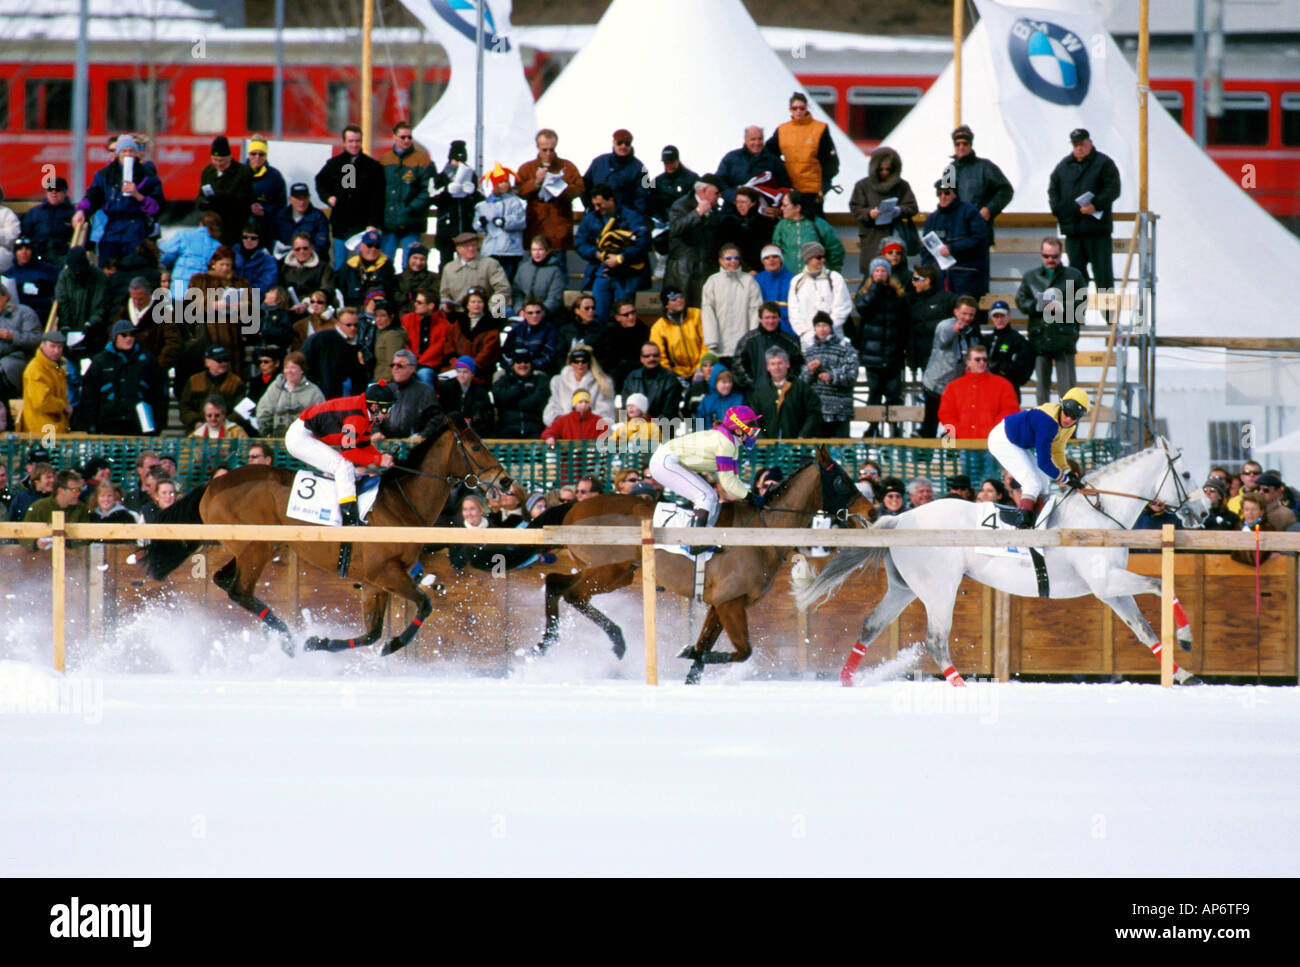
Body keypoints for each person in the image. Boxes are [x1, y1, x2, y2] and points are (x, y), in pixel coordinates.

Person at [285, 382, 398, 576]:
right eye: (386, 409)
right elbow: (349, 453)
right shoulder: (356, 417)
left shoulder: (366, 415)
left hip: (310, 433)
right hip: (300, 438)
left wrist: (379, 457)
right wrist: (379, 459)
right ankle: (348, 511)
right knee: (343, 466)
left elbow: (363, 445)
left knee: (349, 471)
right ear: (373, 406)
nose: (387, 414)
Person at [649, 404, 765, 553]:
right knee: (705, 496)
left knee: (710, 496)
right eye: (751, 426)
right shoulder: (725, 444)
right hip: (665, 462)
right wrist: (751, 497)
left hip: (669, 460)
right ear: (737, 429)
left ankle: (697, 537)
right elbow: (728, 483)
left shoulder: (731, 445)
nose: (754, 431)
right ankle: (694, 542)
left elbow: (733, 482)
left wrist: (747, 497)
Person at [987, 387, 1092, 528]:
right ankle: (1022, 521)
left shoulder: (1069, 427)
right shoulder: (1048, 421)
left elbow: (1057, 451)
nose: (1069, 419)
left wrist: (1067, 472)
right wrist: (1066, 479)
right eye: (1067, 413)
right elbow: (1044, 463)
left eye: (1074, 417)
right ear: (1061, 406)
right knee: (1032, 483)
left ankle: (1037, 517)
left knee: (1043, 482)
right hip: (1002, 439)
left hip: (1017, 442)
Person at [71, 134, 165, 263]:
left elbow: (157, 207)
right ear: (118, 153)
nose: (128, 154)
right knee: (108, 266)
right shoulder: (105, 174)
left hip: (136, 227)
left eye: (131, 151)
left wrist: (138, 195)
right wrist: (81, 210)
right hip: (112, 227)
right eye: (124, 151)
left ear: (136, 153)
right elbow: (93, 195)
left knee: (133, 266)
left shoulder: (147, 176)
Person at [1048, 129, 1121, 291]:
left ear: (1090, 143)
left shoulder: (1103, 163)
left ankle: (1109, 315)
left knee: (1104, 277)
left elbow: (1113, 188)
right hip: (1073, 231)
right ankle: (1077, 315)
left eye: (1082, 144)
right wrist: (1058, 210)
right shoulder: (1063, 166)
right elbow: (1053, 189)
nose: (1079, 148)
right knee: (1075, 278)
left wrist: (1096, 205)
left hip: (1097, 231)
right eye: (1075, 145)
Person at [1017, 237, 1088, 404]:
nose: (1050, 260)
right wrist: (1039, 305)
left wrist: (1061, 306)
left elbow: (1083, 302)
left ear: (1060, 255)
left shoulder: (1074, 275)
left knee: (1068, 393)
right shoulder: (1030, 277)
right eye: (1046, 256)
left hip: (1064, 337)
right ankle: (1044, 428)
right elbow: (1021, 301)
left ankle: (1070, 430)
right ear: (1041, 255)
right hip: (1040, 338)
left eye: (1054, 256)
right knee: (1041, 392)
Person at [74, 319, 167, 436]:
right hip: (109, 422)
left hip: (141, 423)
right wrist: (90, 424)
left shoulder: (147, 359)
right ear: (115, 337)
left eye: (132, 334)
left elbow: (160, 393)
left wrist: (159, 424)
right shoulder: (101, 361)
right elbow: (89, 394)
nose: (129, 338)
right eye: (124, 335)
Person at [575, 184, 651, 325]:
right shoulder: (591, 218)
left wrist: (621, 258)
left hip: (626, 276)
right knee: (598, 317)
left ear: (611, 200)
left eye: (600, 204)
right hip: (601, 274)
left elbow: (643, 242)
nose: (597, 208)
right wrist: (596, 254)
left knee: (624, 317)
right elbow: (579, 243)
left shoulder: (632, 217)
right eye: (594, 205)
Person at [314, 124, 387, 270]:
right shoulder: (334, 164)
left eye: (357, 141)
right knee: (340, 264)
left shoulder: (372, 166)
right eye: (351, 141)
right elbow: (320, 181)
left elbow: (378, 198)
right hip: (341, 223)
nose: (354, 144)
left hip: (363, 225)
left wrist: (373, 223)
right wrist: (328, 197)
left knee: (364, 263)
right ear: (344, 142)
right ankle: (340, 291)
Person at [853, 257, 911, 431]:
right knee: (875, 392)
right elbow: (862, 307)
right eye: (877, 271)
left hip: (894, 354)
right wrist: (875, 289)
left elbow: (905, 323)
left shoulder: (898, 294)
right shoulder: (865, 292)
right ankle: (873, 428)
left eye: (883, 271)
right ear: (872, 273)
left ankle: (895, 428)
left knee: (894, 393)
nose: (880, 274)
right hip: (873, 355)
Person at [849, 146, 919, 279]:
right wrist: (869, 213)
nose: (884, 173)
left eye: (888, 169)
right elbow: (855, 208)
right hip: (872, 236)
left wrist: (898, 211)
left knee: (898, 275)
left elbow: (912, 207)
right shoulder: (862, 185)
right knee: (873, 273)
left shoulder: (902, 186)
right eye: (881, 169)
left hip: (895, 236)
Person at [766, 92, 838, 215]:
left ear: (806, 109)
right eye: (795, 108)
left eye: (802, 108)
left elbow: (830, 162)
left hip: (813, 190)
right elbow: (769, 154)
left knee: (813, 226)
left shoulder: (819, 129)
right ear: (790, 110)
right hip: (790, 190)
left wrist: (824, 187)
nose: (798, 111)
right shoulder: (782, 130)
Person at [920, 296, 981, 438]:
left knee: (953, 425)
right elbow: (943, 340)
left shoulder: (971, 331)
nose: (967, 318)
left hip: (956, 387)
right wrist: (955, 330)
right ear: (956, 312)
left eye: (971, 314)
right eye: (964, 314)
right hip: (937, 384)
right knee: (931, 423)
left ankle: (951, 455)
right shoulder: (946, 325)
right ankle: (924, 457)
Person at [516, 128, 585, 252]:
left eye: (551, 150)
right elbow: (519, 191)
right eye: (544, 150)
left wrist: (561, 188)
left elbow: (580, 189)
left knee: (558, 267)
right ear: (537, 147)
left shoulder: (567, 167)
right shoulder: (527, 168)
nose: (548, 153)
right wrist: (536, 182)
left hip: (559, 231)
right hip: (535, 229)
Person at [921, 178, 990, 299]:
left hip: (967, 276)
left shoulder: (969, 211)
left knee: (966, 313)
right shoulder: (932, 218)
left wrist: (952, 248)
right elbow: (926, 251)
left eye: (947, 192)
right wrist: (924, 275)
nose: (943, 196)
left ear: (955, 194)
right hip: (940, 278)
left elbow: (980, 239)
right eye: (939, 193)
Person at [936, 344, 1019, 440]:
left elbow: (1010, 410)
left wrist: (994, 431)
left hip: (993, 443)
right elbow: (946, 414)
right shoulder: (953, 387)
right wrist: (958, 432)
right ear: (968, 362)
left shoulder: (1003, 384)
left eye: (985, 359)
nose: (982, 362)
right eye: (977, 359)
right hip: (963, 442)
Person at [947, 126, 1014, 245]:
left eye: (965, 143)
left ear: (970, 145)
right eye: (957, 144)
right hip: (956, 234)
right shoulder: (950, 170)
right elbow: (944, 200)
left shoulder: (985, 167)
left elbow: (1006, 190)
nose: (961, 147)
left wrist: (989, 209)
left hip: (979, 231)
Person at [664, 176, 725, 306]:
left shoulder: (715, 210)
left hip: (706, 269)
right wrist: (697, 213)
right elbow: (675, 229)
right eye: (716, 193)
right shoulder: (680, 205)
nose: (719, 196)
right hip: (684, 271)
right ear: (703, 190)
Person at [377, 121, 433, 261]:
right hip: (389, 222)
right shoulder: (385, 160)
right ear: (394, 137)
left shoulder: (422, 160)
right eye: (403, 137)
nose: (406, 140)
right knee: (385, 260)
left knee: (410, 261)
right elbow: (378, 189)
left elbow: (428, 190)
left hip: (412, 221)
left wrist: (411, 208)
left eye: (409, 137)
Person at [701, 244, 762, 369]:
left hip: (742, 346)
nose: (733, 262)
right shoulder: (712, 282)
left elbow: (755, 312)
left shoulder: (749, 281)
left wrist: (751, 341)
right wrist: (712, 341)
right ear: (721, 261)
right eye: (728, 259)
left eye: (736, 258)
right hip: (719, 346)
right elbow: (708, 313)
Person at [801, 312, 858, 437]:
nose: (822, 329)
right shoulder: (809, 352)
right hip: (818, 412)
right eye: (818, 326)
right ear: (814, 329)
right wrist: (808, 371)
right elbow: (801, 382)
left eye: (825, 325)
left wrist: (832, 376)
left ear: (831, 328)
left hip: (840, 411)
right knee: (821, 453)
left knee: (842, 452)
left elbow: (852, 375)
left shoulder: (845, 348)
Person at [788, 241, 852, 348]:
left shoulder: (835, 278)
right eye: (818, 257)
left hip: (833, 338)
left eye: (824, 257)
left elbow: (843, 307)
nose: (823, 260)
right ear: (808, 259)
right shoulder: (797, 281)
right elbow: (793, 312)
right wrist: (805, 333)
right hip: (808, 341)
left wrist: (826, 329)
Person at [748, 346, 820, 440]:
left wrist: (804, 435)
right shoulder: (760, 391)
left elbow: (814, 412)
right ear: (768, 367)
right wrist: (761, 440)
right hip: (767, 448)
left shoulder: (801, 387)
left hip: (796, 445)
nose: (777, 367)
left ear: (787, 364)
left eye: (780, 363)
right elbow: (751, 419)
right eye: (773, 364)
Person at [196, 136, 254, 247]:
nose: (218, 164)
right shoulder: (207, 172)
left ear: (230, 157)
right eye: (215, 160)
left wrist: (223, 198)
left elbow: (245, 201)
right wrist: (203, 202)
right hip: (212, 226)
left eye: (222, 160)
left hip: (234, 227)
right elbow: (200, 196)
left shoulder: (242, 173)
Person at [732, 301, 802, 392]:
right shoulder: (748, 341)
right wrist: (752, 385)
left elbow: (799, 365)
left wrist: (787, 384)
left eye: (774, 317)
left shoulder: (789, 341)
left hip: (784, 394)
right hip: (755, 394)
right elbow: (737, 365)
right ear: (760, 319)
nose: (771, 321)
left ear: (779, 318)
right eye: (767, 317)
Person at [474, 163, 528, 280]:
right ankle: (495, 299)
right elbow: (477, 225)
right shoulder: (483, 205)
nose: (504, 185)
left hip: (510, 250)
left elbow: (521, 221)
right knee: (491, 280)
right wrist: (481, 224)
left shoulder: (515, 202)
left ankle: (503, 299)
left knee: (506, 281)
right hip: (491, 250)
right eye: (500, 182)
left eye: (506, 182)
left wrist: (505, 222)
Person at [715, 125, 790, 210]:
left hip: (763, 213)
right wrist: (736, 198)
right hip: (732, 211)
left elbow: (785, 187)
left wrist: (778, 209)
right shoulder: (731, 158)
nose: (757, 143)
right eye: (753, 139)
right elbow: (719, 182)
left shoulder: (774, 161)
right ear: (745, 140)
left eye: (760, 139)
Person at [372, 349, 440, 440]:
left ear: (412, 368)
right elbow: (375, 417)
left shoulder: (425, 391)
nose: (395, 368)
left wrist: (423, 435)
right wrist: (376, 432)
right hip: (386, 445)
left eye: (400, 365)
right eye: (393, 365)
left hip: (416, 447)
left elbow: (437, 418)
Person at [303, 307, 369, 399]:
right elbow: (305, 362)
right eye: (348, 325)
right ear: (339, 324)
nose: (353, 328)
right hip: (322, 394)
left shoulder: (358, 344)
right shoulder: (322, 338)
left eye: (356, 325)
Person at [255, 350, 325, 437]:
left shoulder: (313, 392)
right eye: (287, 367)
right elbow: (263, 412)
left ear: (302, 370)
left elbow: (322, 418)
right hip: (277, 438)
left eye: (293, 367)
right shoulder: (275, 388)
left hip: (304, 440)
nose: (289, 371)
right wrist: (268, 434)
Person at [771, 190, 843, 274]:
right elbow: (775, 250)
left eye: (785, 205)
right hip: (788, 278)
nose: (781, 208)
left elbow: (835, 249)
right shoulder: (781, 226)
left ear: (797, 208)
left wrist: (831, 272)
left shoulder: (818, 224)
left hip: (815, 278)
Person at [582, 129, 650, 217]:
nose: (623, 146)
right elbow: (584, 187)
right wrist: (590, 207)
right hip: (597, 217)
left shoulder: (640, 168)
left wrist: (634, 220)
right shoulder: (598, 162)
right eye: (620, 143)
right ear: (613, 143)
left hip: (623, 219)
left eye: (627, 143)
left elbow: (642, 198)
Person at [442, 286, 503, 386]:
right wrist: (455, 363)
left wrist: (468, 368)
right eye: (473, 302)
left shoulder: (491, 326)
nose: (476, 305)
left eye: (479, 302)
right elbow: (449, 345)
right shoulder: (457, 324)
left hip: (479, 372)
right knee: (444, 383)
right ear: (467, 305)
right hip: (455, 368)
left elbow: (488, 353)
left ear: (484, 304)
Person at [542, 347, 616, 427]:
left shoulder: (603, 382)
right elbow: (552, 408)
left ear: (589, 362)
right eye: (576, 361)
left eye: (584, 361)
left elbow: (606, 411)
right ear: (571, 363)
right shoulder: (558, 381)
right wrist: (565, 423)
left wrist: (586, 424)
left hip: (591, 430)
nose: (580, 364)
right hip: (565, 429)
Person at [179, 344, 245, 433]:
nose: (223, 363)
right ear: (207, 362)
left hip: (226, 432)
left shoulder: (236, 382)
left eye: (225, 360)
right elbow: (184, 406)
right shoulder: (194, 380)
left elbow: (240, 410)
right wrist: (195, 422)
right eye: (219, 360)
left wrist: (222, 424)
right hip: (197, 431)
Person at [22, 470, 90, 553]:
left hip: (72, 559)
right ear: (61, 491)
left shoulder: (81, 509)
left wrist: (67, 543)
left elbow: (85, 538)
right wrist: (36, 544)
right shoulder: (39, 507)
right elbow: (23, 534)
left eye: (79, 490)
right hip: (40, 560)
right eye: (74, 490)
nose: (78, 494)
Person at [439, 231, 510, 311]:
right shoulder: (449, 268)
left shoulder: (490, 264)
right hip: (458, 313)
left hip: (487, 312)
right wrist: (445, 307)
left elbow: (503, 289)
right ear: (458, 249)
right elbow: (444, 294)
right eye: (466, 246)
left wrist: (492, 309)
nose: (471, 249)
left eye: (474, 245)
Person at [19, 330, 71, 435]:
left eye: (60, 347)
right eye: (52, 346)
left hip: (54, 428)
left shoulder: (57, 367)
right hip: (42, 431)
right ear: (42, 346)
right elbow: (42, 402)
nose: (56, 351)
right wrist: (63, 406)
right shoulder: (35, 369)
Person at [649, 287, 705, 382]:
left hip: (702, 368)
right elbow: (660, 357)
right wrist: (672, 376)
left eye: (681, 297)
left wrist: (701, 367)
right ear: (666, 305)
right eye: (673, 299)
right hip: (676, 373)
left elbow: (707, 343)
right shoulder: (658, 327)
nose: (679, 300)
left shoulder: (697, 314)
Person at [492, 345, 549, 439]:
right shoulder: (504, 380)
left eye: (526, 361)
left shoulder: (540, 379)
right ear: (513, 364)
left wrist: (514, 402)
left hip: (534, 429)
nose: (522, 365)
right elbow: (499, 397)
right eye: (518, 361)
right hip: (508, 428)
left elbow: (539, 400)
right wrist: (521, 390)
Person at [593, 299, 648, 395]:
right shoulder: (609, 334)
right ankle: (621, 410)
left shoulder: (644, 330)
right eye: (626, 315)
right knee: (621, 405)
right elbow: (605, 360)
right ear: (617, 318)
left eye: (633, 313)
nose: (631, 317)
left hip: (639, 375)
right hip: (617, 378)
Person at [980, 299, 1035, 392]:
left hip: (1009, 387)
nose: (999, 319)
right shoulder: (986, 341)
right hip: (987, 388)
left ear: (1009, 316)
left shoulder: (1018, 340)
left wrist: (999, 367)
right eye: (996, 316)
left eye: (1002, 316)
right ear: (992, 318)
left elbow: (1023, 368)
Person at [500, 297, 563, 377]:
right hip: (515, 368)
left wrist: (527, 366)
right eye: (530, 313)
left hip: (538, 370)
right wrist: (514, 366)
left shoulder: (550, 330)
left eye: (538, 312)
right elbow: (506, 352)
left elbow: (548, 356)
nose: (534, 316)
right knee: (499, 375)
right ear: (523, 314)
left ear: (542, 313)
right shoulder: (516, 329)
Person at [21, 176, 76, 266]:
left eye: (57, 190)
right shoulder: (35, 212)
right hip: (37, 256)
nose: (53, 192)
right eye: (50, 189)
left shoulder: (73, 214)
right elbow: (25, 235)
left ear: (65, 193)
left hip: (62, 256)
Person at [717, 186, 774, 272]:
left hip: (759, 270)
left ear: (753, 203)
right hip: (734, 269)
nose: (739, 205)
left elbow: (767, 249)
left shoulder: (765, 223)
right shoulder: (728, 223)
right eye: (737, 202)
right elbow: (724, 248)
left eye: (743, 202)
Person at [4, 236, 59, 325]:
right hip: (19, 317)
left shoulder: (48, 270)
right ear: (15, 253)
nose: (24, 252)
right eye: (20, 249)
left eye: (27, 249)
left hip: (44, 313)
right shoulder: (8, 275)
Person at [0, 284, 42, 401]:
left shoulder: (23, 312)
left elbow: (36, 339)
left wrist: (12, 336)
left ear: (6, 297)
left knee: (6, 367)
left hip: (18, 358)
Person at [622, 341, 682, 420]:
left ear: (660, 357)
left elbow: (670, 412)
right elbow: (625, 406)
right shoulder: (632, 378)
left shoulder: (670, 379)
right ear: (641, 359)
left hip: (662, 427)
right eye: (647, 356)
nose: (652, 358)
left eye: (655, 355)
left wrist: (651, 427)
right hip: (634, 425)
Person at [337, 229, 395, 307]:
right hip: (352, 307)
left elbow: (388, 291)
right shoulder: (349, 265)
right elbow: (341, 288)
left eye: (377, 246)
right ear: (361, 246)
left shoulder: (386, 265)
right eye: (369, 245)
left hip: (377, 309)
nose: (373, 249)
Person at [275, 183, 331, 263]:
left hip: (313, 260)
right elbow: (274, 241)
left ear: (309, 198)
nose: (302, 202)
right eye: (298, 198)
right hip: (286, 261)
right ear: (290, 199)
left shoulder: (318, 216)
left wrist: (303, 254)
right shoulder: (280, 216)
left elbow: (322, 244)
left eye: (305, 198)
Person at [245, 137, 287, 246]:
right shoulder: (240, 173)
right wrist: (248, 208)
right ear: (249, 155)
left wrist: (265, 211)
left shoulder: (274, 176)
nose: (257, 157)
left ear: (266, 156)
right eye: (253, 154)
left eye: (261, 154)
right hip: (244, 228)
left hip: (267, 228)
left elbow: (281, 204)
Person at [511, 236, 565, 319]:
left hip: (547, 315)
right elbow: (516, 292)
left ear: (548, 251)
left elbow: (555, 297)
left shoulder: (556, 271)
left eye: (540, 249)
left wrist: (540, 312)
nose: (537, 253)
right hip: (524, 313)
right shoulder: (523, 268)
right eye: (534, 250)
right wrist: (520, 310)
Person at [436, 356, 494, 433]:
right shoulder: (446, 389)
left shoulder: (480, 392)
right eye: (459, 372)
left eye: (465, 372)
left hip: (473, 432)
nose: (461, 375)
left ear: (472, 373)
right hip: (450, 430)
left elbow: (484, 417)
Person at [648, 145, 699, 223]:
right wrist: (659, 220)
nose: (669, 165)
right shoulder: (657, 182)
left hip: (687, 221)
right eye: (666, 163)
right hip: (665, 223)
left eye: (671, 162)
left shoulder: (692, 179)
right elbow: (653, 206)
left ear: (677, 160)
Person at [279, 232, 334, 302]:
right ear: (292, 250)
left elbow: (327, 289)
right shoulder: (283, 266)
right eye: (297, 249)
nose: (302, 252)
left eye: (305, 248)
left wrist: (307, 302)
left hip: (313, 305)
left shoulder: (324, 267)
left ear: (312, 248)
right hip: (288, 304)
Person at [753, 244, 795, 336]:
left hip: (789, 333)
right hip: (763, 334)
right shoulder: (755, 280)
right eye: (767, 258)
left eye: (775, 257)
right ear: (763, 261)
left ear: (781, 259)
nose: (771, 260)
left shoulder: (793, 280)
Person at [542, 388, 607, 445]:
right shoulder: (563, 420)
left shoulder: (598, 421)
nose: (583, 405)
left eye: (586, 402)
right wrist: (550, 437)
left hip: (592, 457)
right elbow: (550, 431)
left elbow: (606, 436)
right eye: (580, 402)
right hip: (569, 457)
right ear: (574, 404)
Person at [392, 243, 437, 315]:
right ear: (409, 258)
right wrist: (407, 296)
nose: (418, 263)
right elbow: (394, 298)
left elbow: (433, 298)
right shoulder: (397, 279)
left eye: (422, 259)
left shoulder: (433, 278)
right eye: (415, 258)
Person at [234, 221, 278, 292]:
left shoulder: (268, 261)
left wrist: (242, 294)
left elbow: (266, 286)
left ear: (260, 239)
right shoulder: (233, 253)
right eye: (245, 237)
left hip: (255, 299)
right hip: (231, 296)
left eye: (253, 238)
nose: (248, 240)